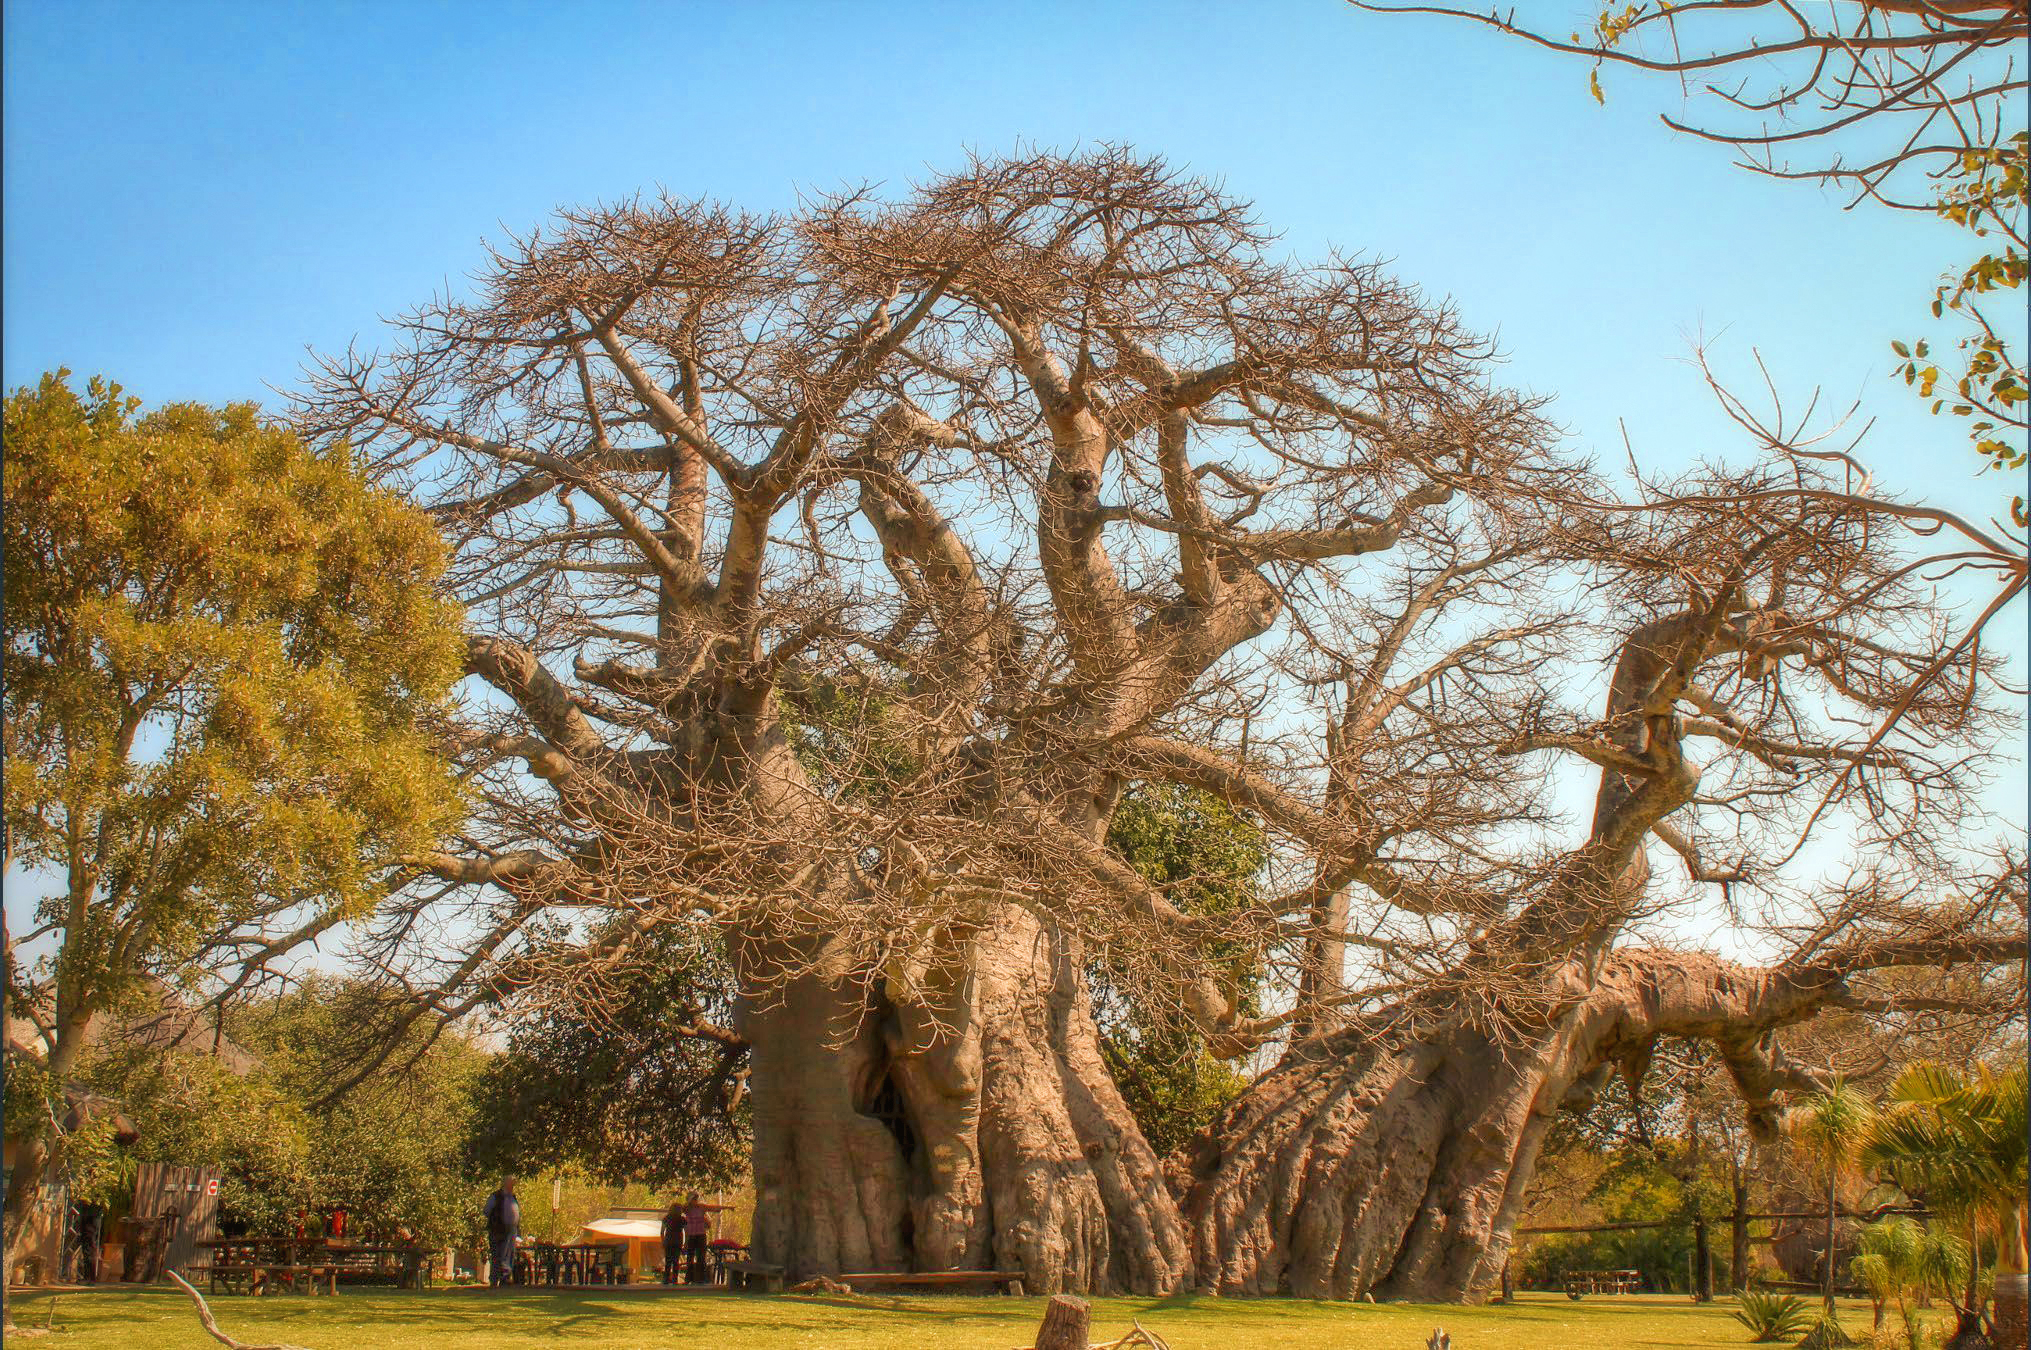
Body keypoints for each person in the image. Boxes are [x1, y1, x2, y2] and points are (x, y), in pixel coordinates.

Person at [680, 1193, 728, 1285]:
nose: (696, 1201)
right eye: (694, 1199)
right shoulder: (687, 1209)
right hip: (691, 1235)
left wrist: (726, 1208)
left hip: (701, 1235)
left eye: (696, 1199)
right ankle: (688, 1278)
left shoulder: (701, 1207)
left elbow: (713, 1208)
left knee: (701, 1257)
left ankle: (700, 1279)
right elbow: (679, 1208)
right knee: (690, 1257)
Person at [483, 1176, 521, 1288]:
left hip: (511, 1231)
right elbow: (486, 1211)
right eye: (511, 1184)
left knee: (509, 1255)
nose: (512, 1186)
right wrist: (496, 1219)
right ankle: (495, 1280)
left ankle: (505, 1279)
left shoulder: (513, 1197)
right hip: (498, 1230)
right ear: (505, 1184)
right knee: (497, 1254)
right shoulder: (496, 1196)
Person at [659, 1200, 685, 1285]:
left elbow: (662, 1231)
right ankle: (674, 1279)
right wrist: (684, 1242)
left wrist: (663, 1241)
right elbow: (686, 1231)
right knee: (676, 1261)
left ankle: (666, 1279)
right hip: (678, 1242)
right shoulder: (682, 1219)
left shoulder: (667, 1218)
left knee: (668, 1261)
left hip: (668, 1241)